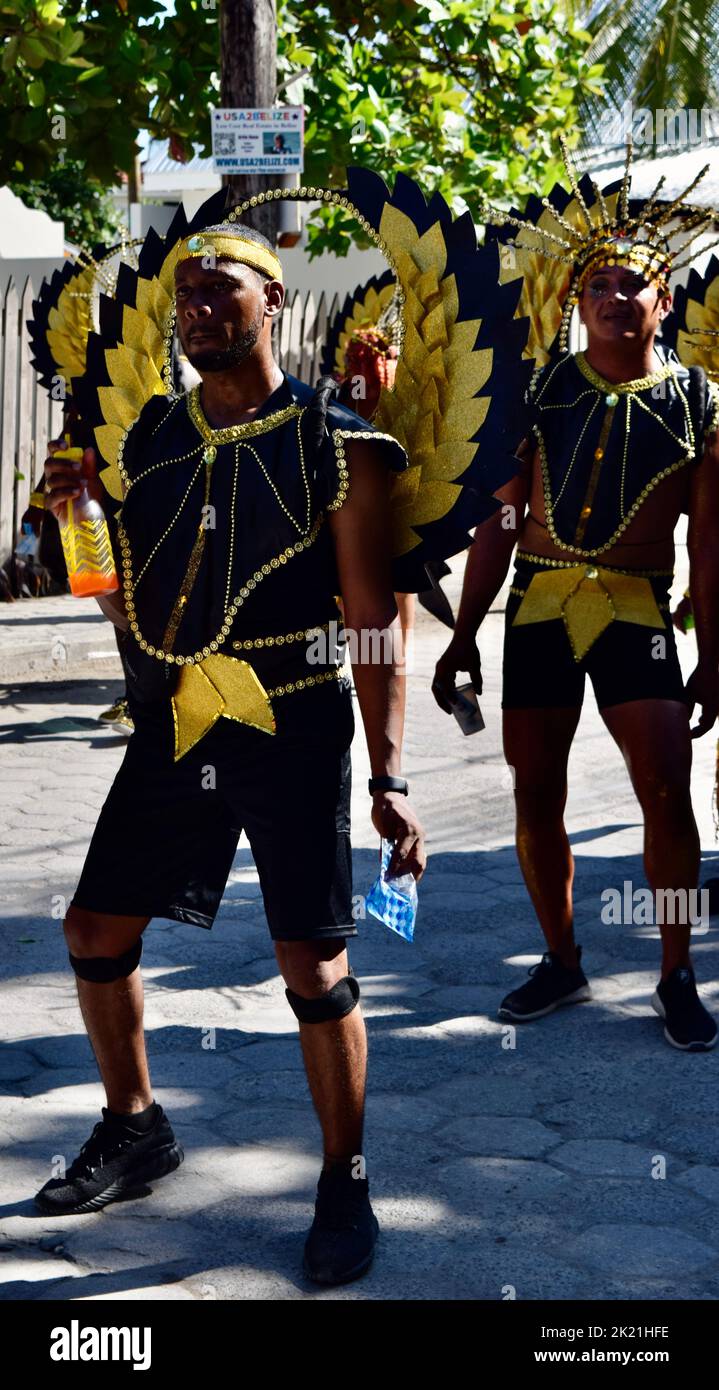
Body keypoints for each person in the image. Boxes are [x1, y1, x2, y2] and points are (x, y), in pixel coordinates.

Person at [38, 219, 426, 1286]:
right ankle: (137, 1124)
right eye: (187, 297)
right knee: (92, 925)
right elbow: (132, 597)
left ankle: (343, 1180)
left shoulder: (333, 441)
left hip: (292, 716)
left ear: (275, 302)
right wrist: (78, 524)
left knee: (312, 959)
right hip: (177, 718)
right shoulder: (156, 437)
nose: (201, 308)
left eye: (224, 290)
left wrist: (387, 772)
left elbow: (370, 618)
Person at [433, 145, 719, 1051]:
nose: (612, 297)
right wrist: (462, 632)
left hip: (636, 607)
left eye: (631, 285)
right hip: (538, 609)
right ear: (576, 302)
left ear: (660, 302)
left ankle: (675, 973)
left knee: (667, 794)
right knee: (534, 792)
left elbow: (708, 545)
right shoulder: (542, 390)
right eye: (596, 284)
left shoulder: (700, 405)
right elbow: (498, 521)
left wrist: (713, 651)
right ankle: (561, 958)